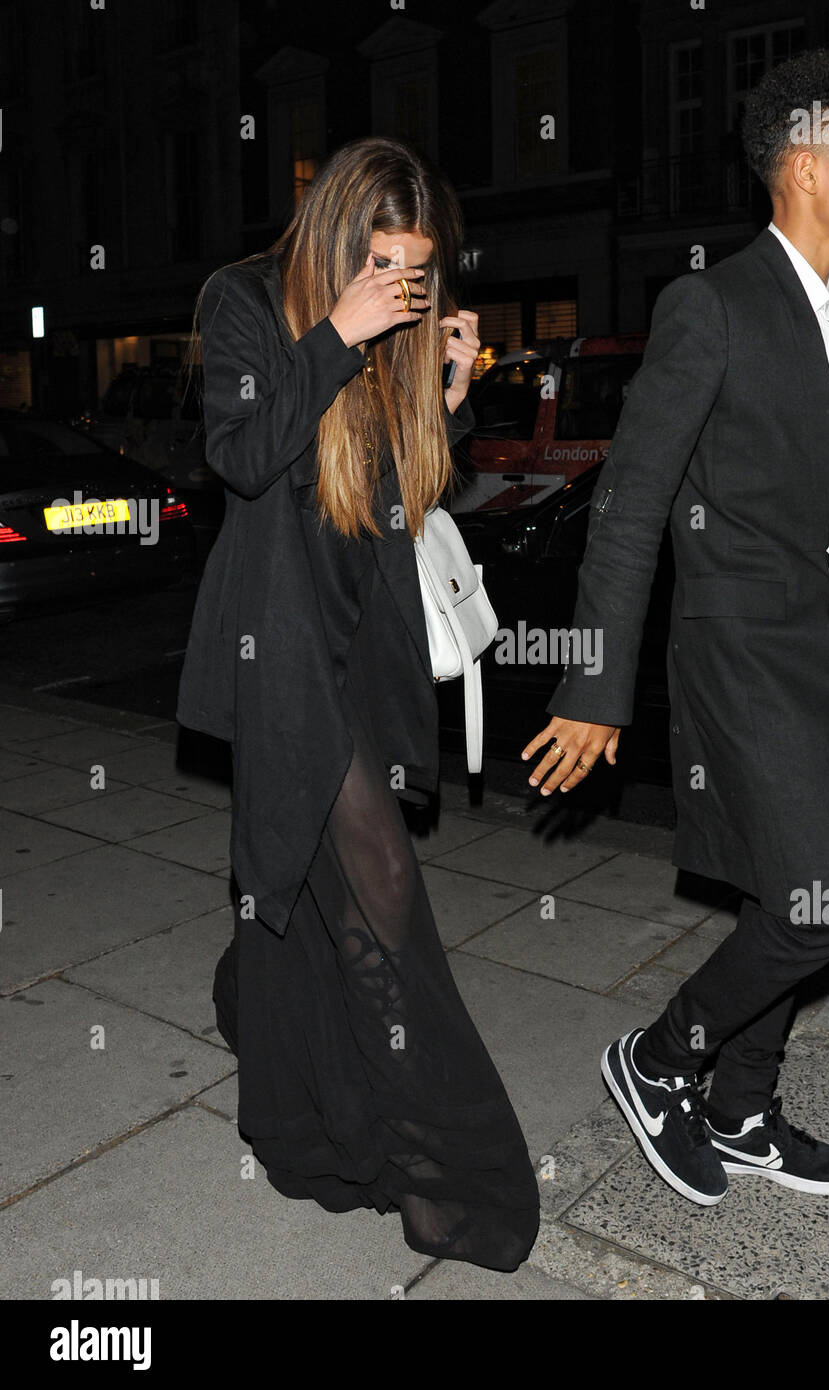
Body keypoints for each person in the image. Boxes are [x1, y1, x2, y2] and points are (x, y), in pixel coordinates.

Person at [522, 49, 829, 1206]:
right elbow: (631, 503)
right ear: (802, 165)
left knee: (787, 893)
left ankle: (742, 1109)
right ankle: (660, 1056)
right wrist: (592, 684)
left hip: (821, 658)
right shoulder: (714, 304)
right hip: (739, 659)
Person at [176, 136, 539, 1271]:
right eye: (380, 257)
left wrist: (447, 393)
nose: (397, 279)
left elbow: (404, 495)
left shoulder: (390, 332)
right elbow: (242, 452)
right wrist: (343, 329)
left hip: (361, 642)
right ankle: (451, 1183)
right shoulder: (244, 301)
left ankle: (295, 1100)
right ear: (338, 235)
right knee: (380, 886)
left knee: (299, 894)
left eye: (414, 268)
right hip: (279, 651)